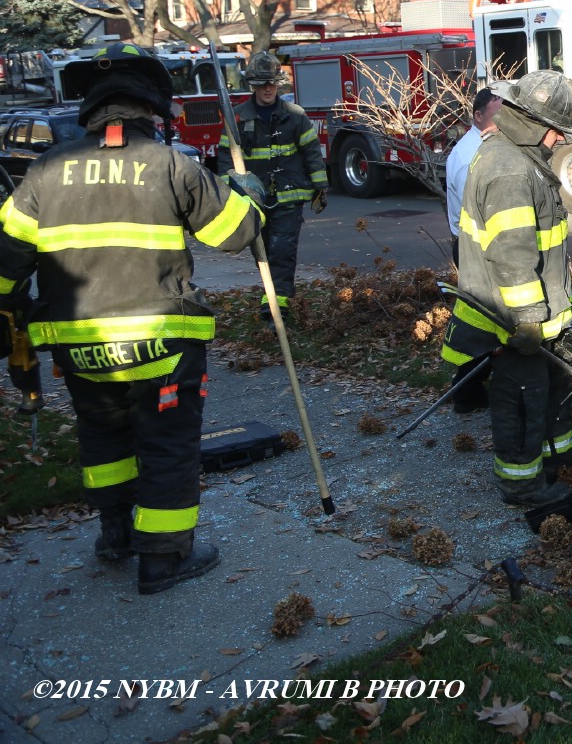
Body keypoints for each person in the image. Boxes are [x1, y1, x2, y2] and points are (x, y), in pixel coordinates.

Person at [0, 43, 263, 594]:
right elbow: (236, 234)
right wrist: (249, 196)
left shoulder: (44, 172)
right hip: (159, 345)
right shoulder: (170, 165)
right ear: (152, 114)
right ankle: (164, 559)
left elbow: (6, 264)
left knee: (104, 439)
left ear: (91, 115)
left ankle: (115, 535)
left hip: (80, 348)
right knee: (166, 444)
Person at [441, 71, 572, 510]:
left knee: (549, 393)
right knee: (522, 402)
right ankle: (523, 486)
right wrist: (526, 322)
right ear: (540, 124)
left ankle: (558, 463)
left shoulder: (518, 158)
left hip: (537, 321)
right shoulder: (509, 170)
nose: (561, 141)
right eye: (559, 130)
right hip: (514, 324)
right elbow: (513, 256)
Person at [221, 53, 327, 318]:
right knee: (263, 248)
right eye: (262, 83)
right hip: (253, 197)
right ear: (253, 86)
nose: (268, 89)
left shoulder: (295, 116)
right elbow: (225, 157)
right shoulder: (238, 118)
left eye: (272, 83)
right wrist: (232, 189)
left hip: (289, 194)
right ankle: (273, 292)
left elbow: (311, 152)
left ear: (278, 85)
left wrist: (320, 187)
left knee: (283, 247)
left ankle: (279, 301)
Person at [446, 88, 502, 266]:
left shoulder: (491, 146)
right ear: (478, 116)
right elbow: (477, 211)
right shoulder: (469, 157)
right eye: (498, 116)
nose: (504, 123)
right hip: (476, 250)